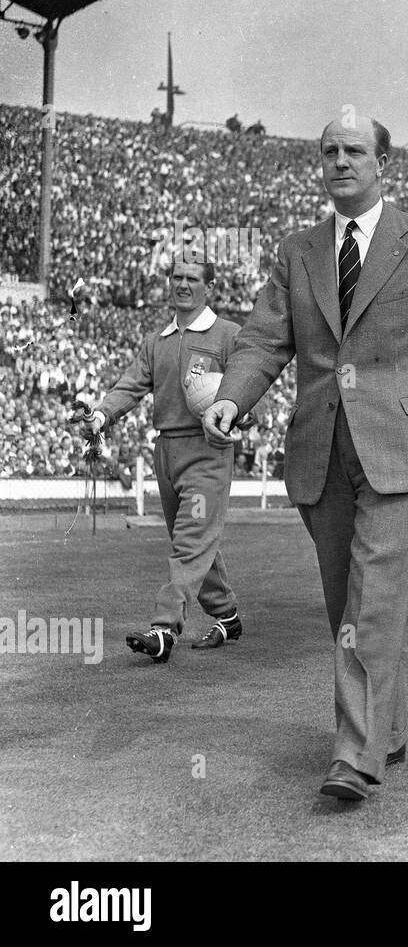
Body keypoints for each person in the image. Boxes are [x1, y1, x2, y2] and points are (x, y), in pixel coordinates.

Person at [203, 115, 408, 802]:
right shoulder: (297, 250)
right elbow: (267, 340)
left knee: (378, 597)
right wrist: (233, 400)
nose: (338, 161)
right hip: (320, 452)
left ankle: (355, 756)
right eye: (327, 151)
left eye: (353, 150)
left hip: (401, 447)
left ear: (383, 162)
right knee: (348, 607)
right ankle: (384, 729)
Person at [86, 253, 241, 662]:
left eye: (192, 278)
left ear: (210, 286)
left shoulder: (228, 335)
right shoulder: (157, 341)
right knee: (191, 538)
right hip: (166, 451)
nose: (183, 284)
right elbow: (131, 385)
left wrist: (232, 408)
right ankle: (227, 616)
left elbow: (250, 392)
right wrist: (101, 415)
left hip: (208, 451)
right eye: (176, 277)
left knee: (190, 541)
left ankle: (163, 629)